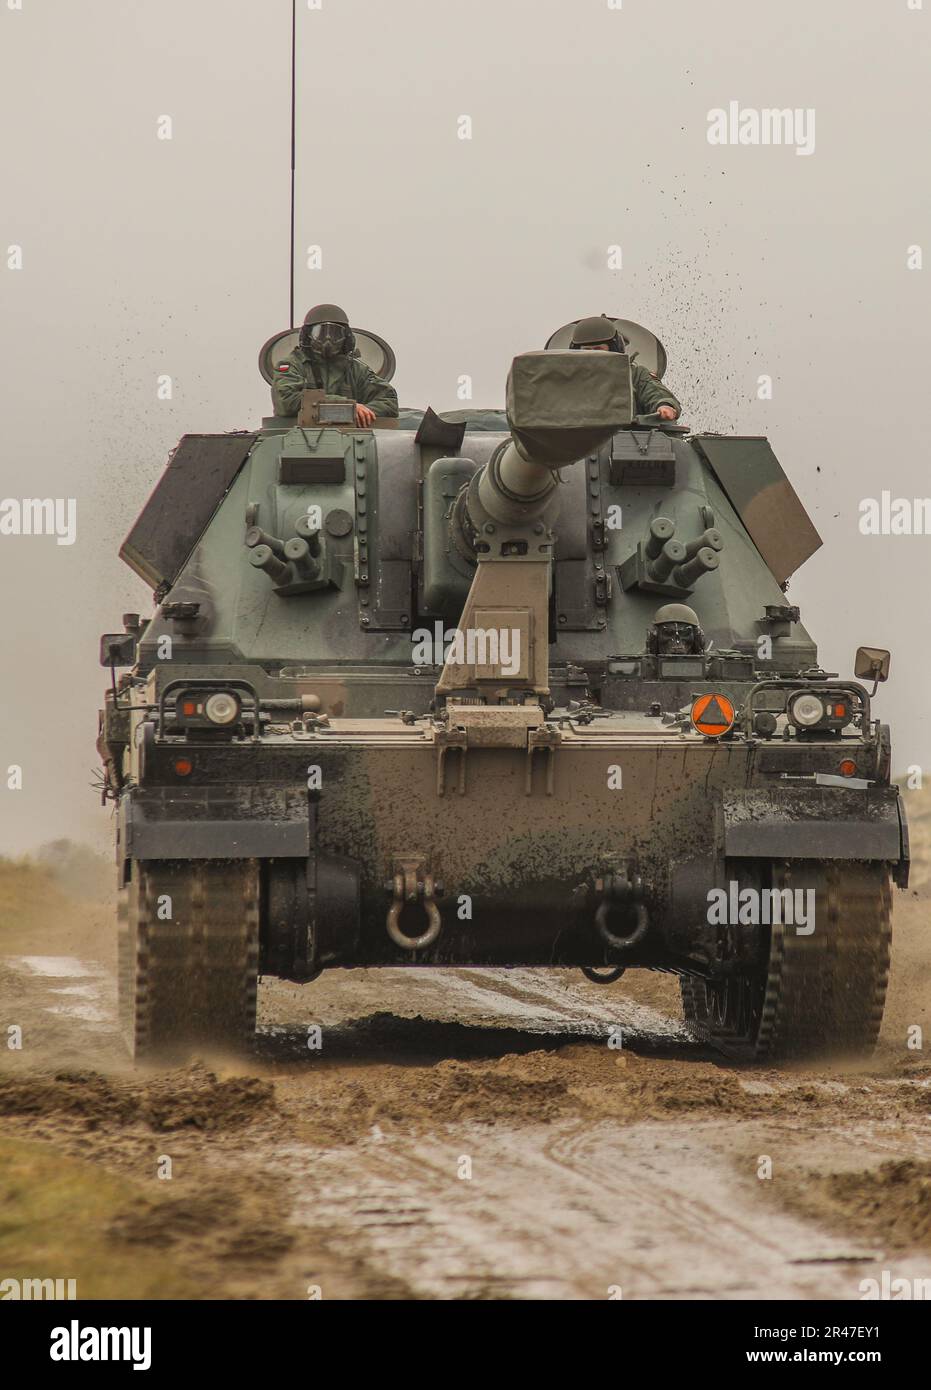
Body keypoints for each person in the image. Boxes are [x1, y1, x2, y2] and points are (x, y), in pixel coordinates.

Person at [273, 303, 398, 425]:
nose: (328, 339)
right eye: (320, 332)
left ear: (346, 337)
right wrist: (348, 408)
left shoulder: (356, 369)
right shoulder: (293, 365)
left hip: (351, 437)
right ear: (308, 336)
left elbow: (389, 402)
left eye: (335, 333)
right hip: (298, 435)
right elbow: (286, 401)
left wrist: (361, 412)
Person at [569, 316, 681, 420]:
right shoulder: (567, 378)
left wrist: (664, 405)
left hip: (631, 438)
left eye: (598, 349)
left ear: (614, 348)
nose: (592, 355)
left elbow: (654, 392)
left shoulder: (634, 374)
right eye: (586, 350)